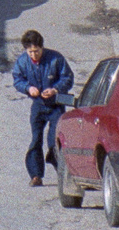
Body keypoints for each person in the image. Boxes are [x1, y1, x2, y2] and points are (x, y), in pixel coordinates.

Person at [12, 30, 74, 185]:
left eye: (36, 51)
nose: (34, 55)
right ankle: (36, 175)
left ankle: (63, 174)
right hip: (38, 105)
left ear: (42, 48)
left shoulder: (56, 58)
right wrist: (28, 88)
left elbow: (68, 78)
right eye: (30, 52)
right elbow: (17, 79)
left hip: (55, 106)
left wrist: (55, 89)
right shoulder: (22, 62)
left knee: (54, 141)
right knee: (35, 139)